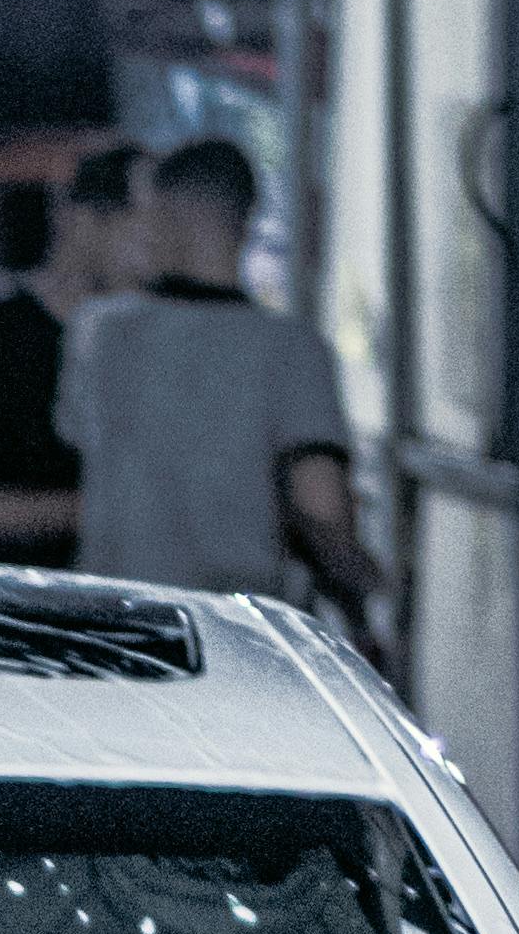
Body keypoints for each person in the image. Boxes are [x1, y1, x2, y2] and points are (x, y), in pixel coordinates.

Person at [58, 135, 381, 651]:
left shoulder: (97, 333)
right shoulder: (291, 348)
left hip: (111, 629)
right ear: (246, 217)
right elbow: (319, 506)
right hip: (237, 639)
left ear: (164, 211)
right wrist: (370, 592)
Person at [0, 141, 155, 558]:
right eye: (145, 222)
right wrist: (101, 512)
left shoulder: (154, 339)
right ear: (85, 221)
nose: (160, 245)